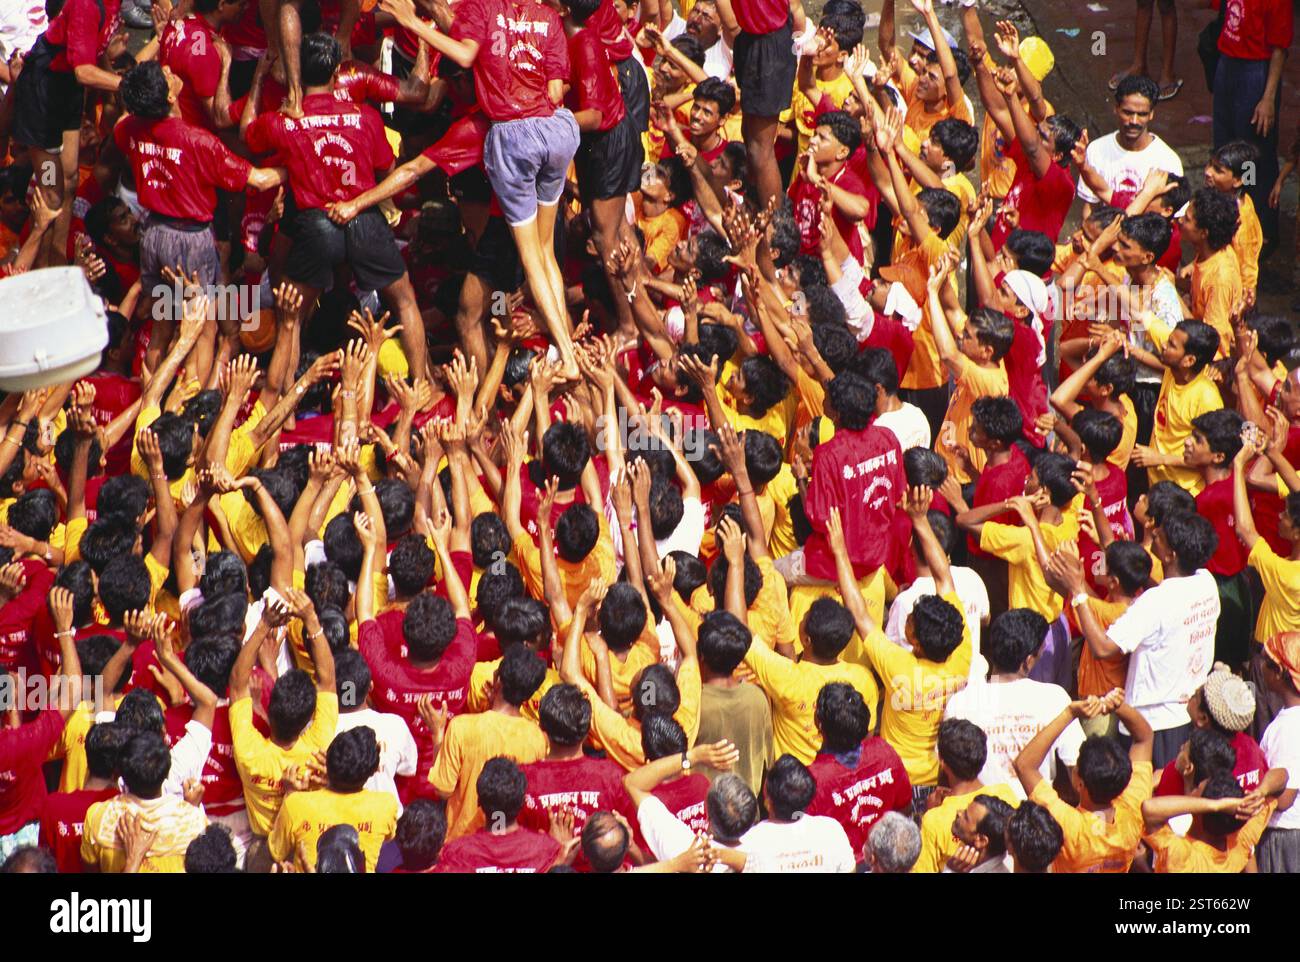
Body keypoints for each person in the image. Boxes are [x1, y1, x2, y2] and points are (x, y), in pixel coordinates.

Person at [1014, 689, 1154, 873]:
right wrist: (1118, 707)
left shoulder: (1068, 826)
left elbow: (1024, 765)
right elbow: (1144, 738)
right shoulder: (1133, 809)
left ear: (1079, 782)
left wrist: (1069, 713)